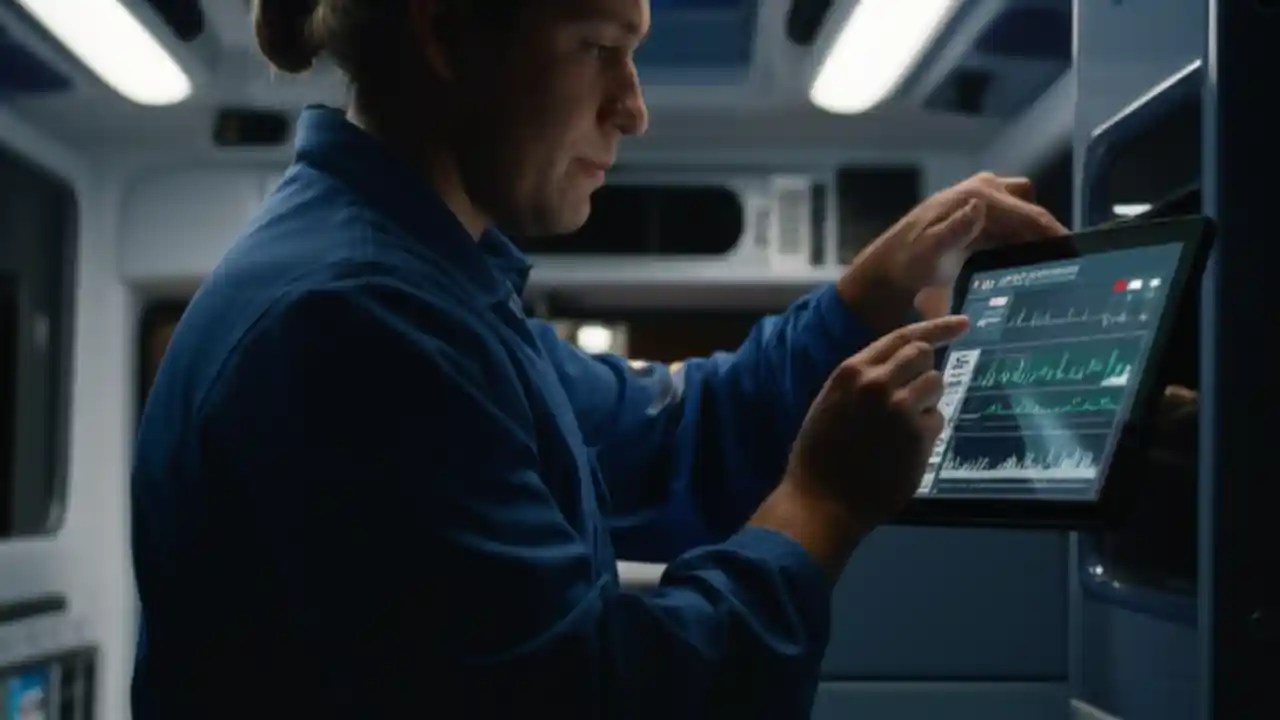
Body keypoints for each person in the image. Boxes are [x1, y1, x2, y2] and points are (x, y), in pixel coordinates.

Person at [128, 0, 1069, 717]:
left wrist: (863, 295)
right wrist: (823, 503)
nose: (634, 108)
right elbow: (590, 697)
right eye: (601, 47)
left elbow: (669, 442)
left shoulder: (425, 296)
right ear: (448, 33)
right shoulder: (355, 322)